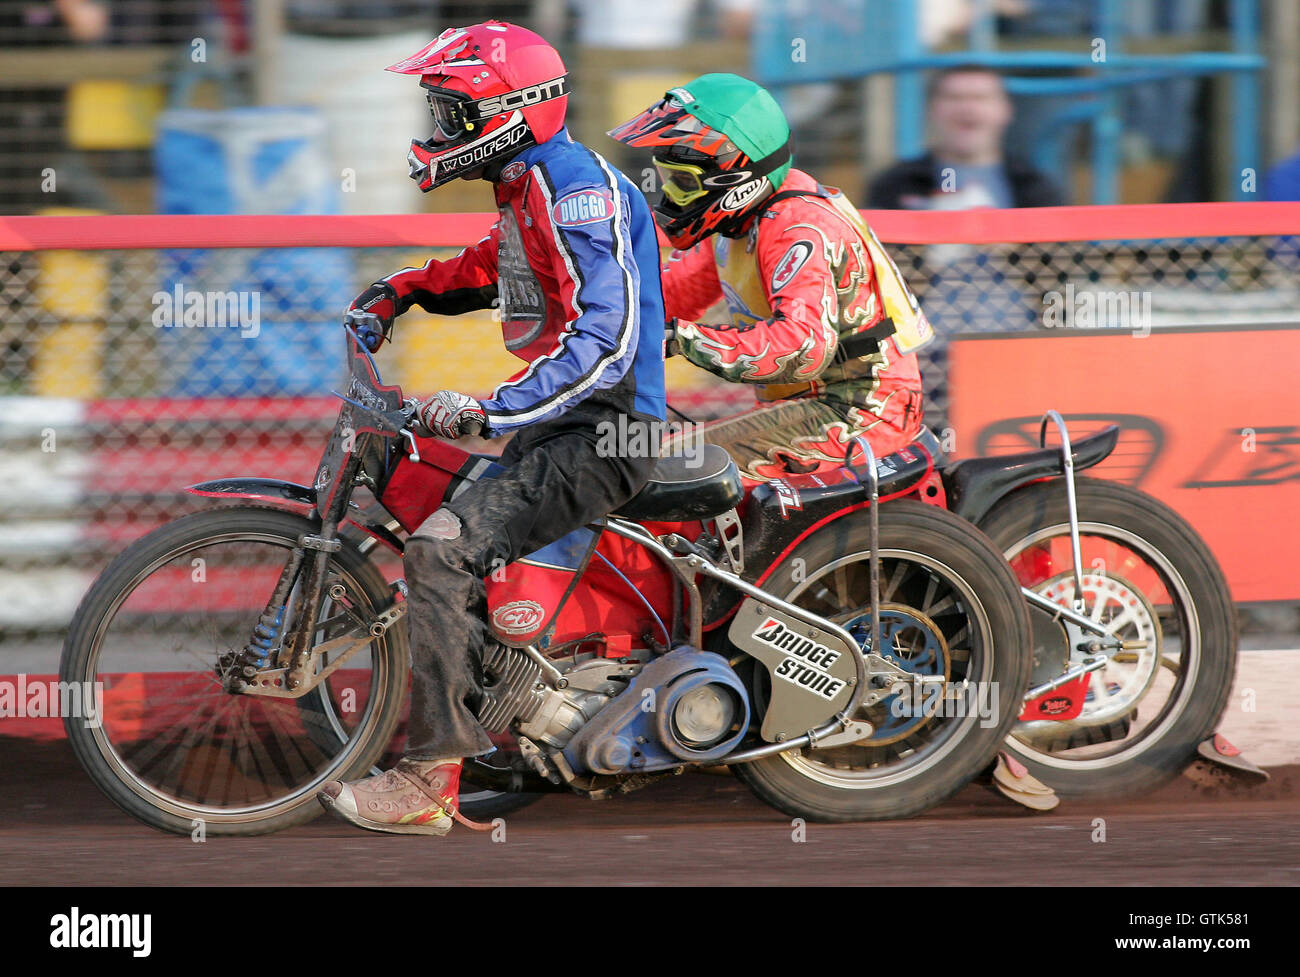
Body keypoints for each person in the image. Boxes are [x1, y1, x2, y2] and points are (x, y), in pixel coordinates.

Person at [317, 21, 666, 835]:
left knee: (442, 548)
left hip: (607, 434)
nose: (439, 132)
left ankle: (431, 781)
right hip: (561, 425)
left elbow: (605, 342)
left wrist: (491, 407)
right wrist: (398, 290)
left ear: (509, 111)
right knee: (429, 505)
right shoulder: (528, 185)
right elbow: (489, 267)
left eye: (452, 114)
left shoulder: (577, 191)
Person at [609, 73, 932, 482]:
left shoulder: (799, 227)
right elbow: (668, 295)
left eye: (684, 182)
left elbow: (802, 347)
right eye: (668, 178)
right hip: (802, 407)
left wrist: (682, 339)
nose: (670, 195)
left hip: (858, 412)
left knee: (658, 472)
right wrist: (586, 309)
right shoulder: (738, 222)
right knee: (631, 459)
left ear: (737, 179)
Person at [867, 64, 1063, 211]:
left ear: (1005, 110)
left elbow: (1057, 259)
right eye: (954, 97)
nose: (967, 108)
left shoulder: (1035, 186)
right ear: (932, 109)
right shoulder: (895, 184)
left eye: (980, 98)